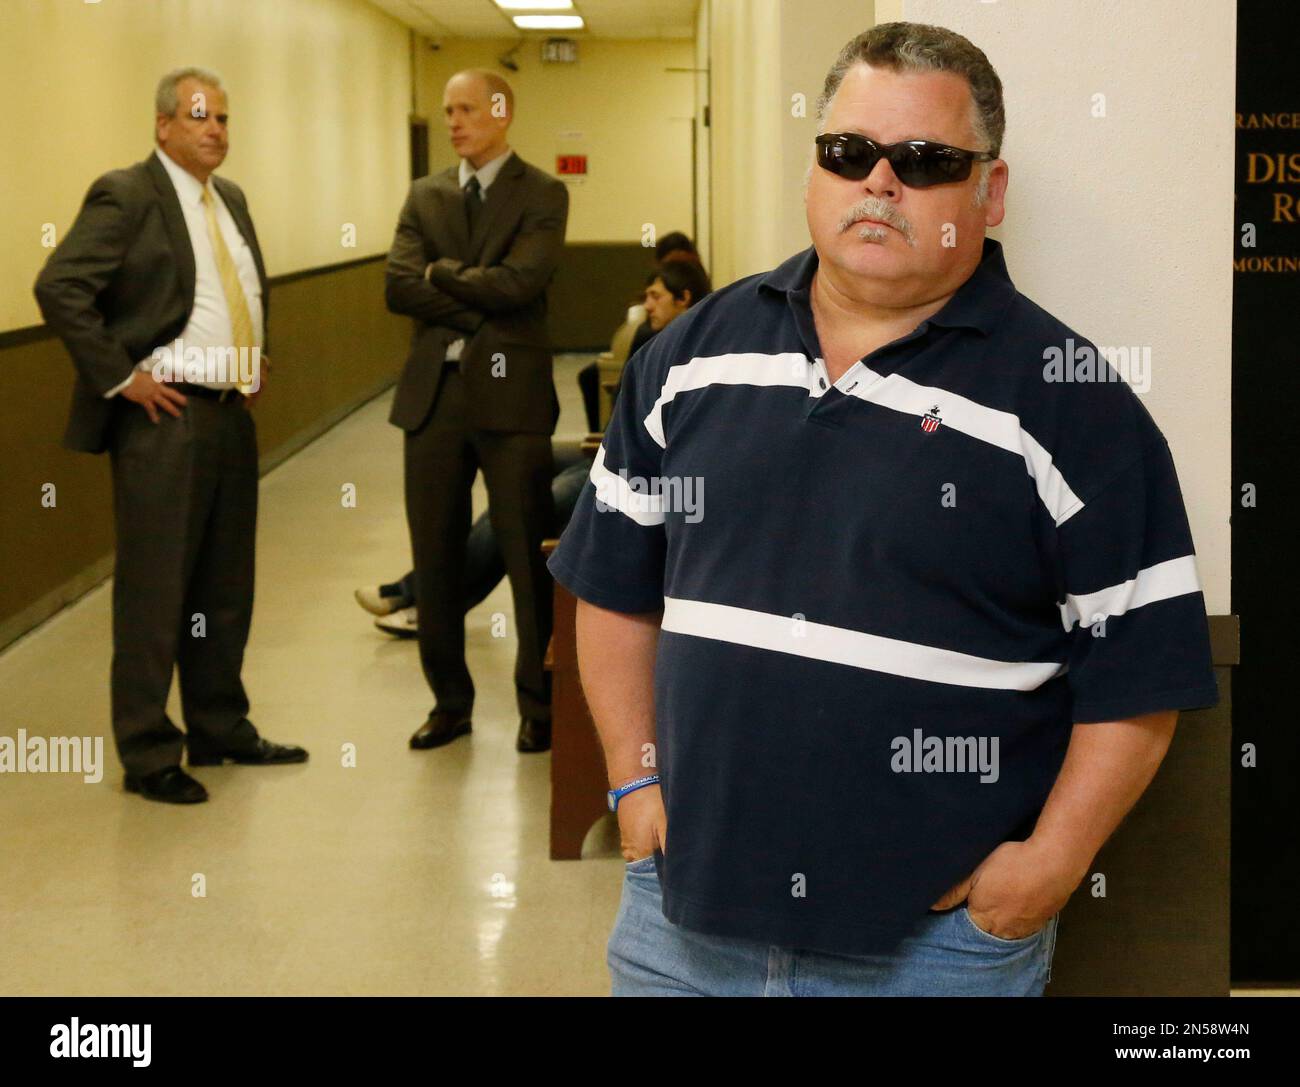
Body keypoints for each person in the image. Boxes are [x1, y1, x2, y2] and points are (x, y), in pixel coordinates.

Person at [546, 21, 1219, 996]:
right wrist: (635, 785)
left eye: (924, 161)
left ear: (988, 193)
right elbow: (612, 588)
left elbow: (1139, 675)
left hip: (933, 956)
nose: (878, 183)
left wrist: (1042, 872)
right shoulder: (686, 359)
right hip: (680, 928)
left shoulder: (1071, 403)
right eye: (848, 152)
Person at [33, 67, 308, 805]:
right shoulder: (126, 194)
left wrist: (254, 355)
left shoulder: (232, 199)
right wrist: (122, 376)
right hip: (164, 419)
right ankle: (149, 750)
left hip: (228, 415)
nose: (215, 129)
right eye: (199, 116)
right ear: (163, 126)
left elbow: (236, 290)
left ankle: (219, 726)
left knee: (224, 584)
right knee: (157, 591)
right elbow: (59, 287)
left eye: (223, 116)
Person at [360, 261, 713, 637]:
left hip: (646, 470)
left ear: (684, 298)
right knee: (523, 472)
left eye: (656, 297)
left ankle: (426, 602)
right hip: (616, 451)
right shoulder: (650, 335)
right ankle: (423, 594)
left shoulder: (703, 349)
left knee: (531, 499)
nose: (647, 306)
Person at [385, 69, 569, 754]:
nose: (454, 121)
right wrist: (477, 298)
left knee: (526, 554)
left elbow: (525, 280)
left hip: (511, 397)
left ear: (501, 112)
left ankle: (538, 705)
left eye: (466, 109)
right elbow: (398, 285)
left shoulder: (542, 193)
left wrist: (442, 275)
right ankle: (449, 703)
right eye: (447, 110)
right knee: (435, 558)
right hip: (432, 400)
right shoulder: (425, 194)